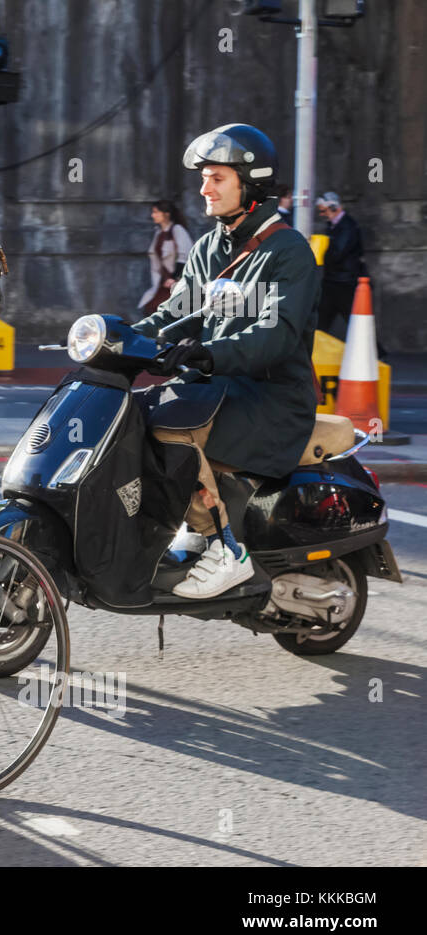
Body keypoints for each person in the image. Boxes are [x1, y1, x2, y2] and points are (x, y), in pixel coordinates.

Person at [132, 123, 320, 599]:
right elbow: (176, 316)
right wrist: (117, 342)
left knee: (172, 428)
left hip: (272, 397)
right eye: (204, 177)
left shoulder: (288, 252)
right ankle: (191, 523)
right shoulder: (209, 248)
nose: (204, 188)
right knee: (134, 415)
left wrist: (209, 353)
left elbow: (274, 337)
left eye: (216, 177)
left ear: (251, 184)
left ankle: (227, 548)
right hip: (217, 388)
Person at [315, 192, 365, 340]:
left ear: (334, 207)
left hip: (344, 282)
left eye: (324, 210)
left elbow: (337, 253)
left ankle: (378, 354)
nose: (322, 214)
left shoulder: (347, 226)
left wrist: (321, 253)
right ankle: (312, 351)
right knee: (321, 321)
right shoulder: (333, 225)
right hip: (334, 280)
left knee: (354, 319)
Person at [137, 199, 193, 315]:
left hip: (176, 282)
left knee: (164, 311)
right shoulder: (158, 233)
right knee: (152, 309)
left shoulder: (177, 230)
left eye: (156, 212)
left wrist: (174, 277)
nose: (153, 215)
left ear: (166, 213)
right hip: (162, 281)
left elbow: (186, 255)